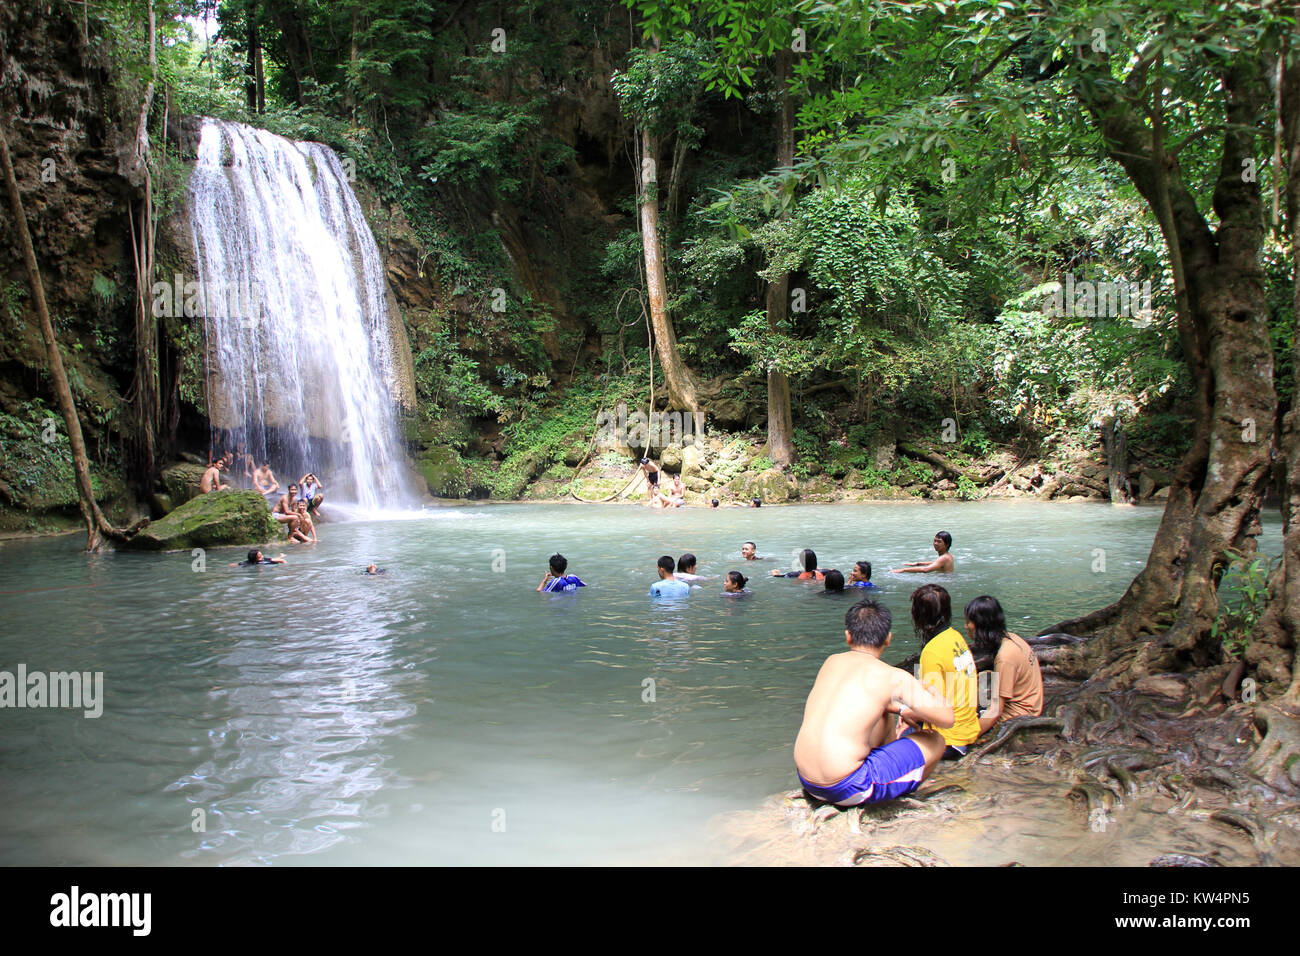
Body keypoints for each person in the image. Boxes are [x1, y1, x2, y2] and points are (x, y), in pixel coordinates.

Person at [794, 600, 953, 806]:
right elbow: (947, 719)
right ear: (888, 639)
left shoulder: (831, 661)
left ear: (848, 636)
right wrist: (932, 690)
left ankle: (888, 771)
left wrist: (902, 709)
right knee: (935, 740)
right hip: (847, 787)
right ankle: (900, 795)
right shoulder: (893, 676)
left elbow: (868, 700)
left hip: (808, 781)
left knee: (884, 710)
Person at [908, 584, 980, 759]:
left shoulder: (932, 651)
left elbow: (932, 707)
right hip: (967, 730)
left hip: (948, 740)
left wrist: (903, 713)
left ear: (918, 615)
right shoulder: (955, 636)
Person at [966, 596, 1044, 733]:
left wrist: (967, 736)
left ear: (981, 624)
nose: (966, 626)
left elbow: (995, 711)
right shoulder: (1013, 638)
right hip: (1032, 705)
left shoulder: (1005, 657)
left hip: (1016, 717)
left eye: (969, 622)